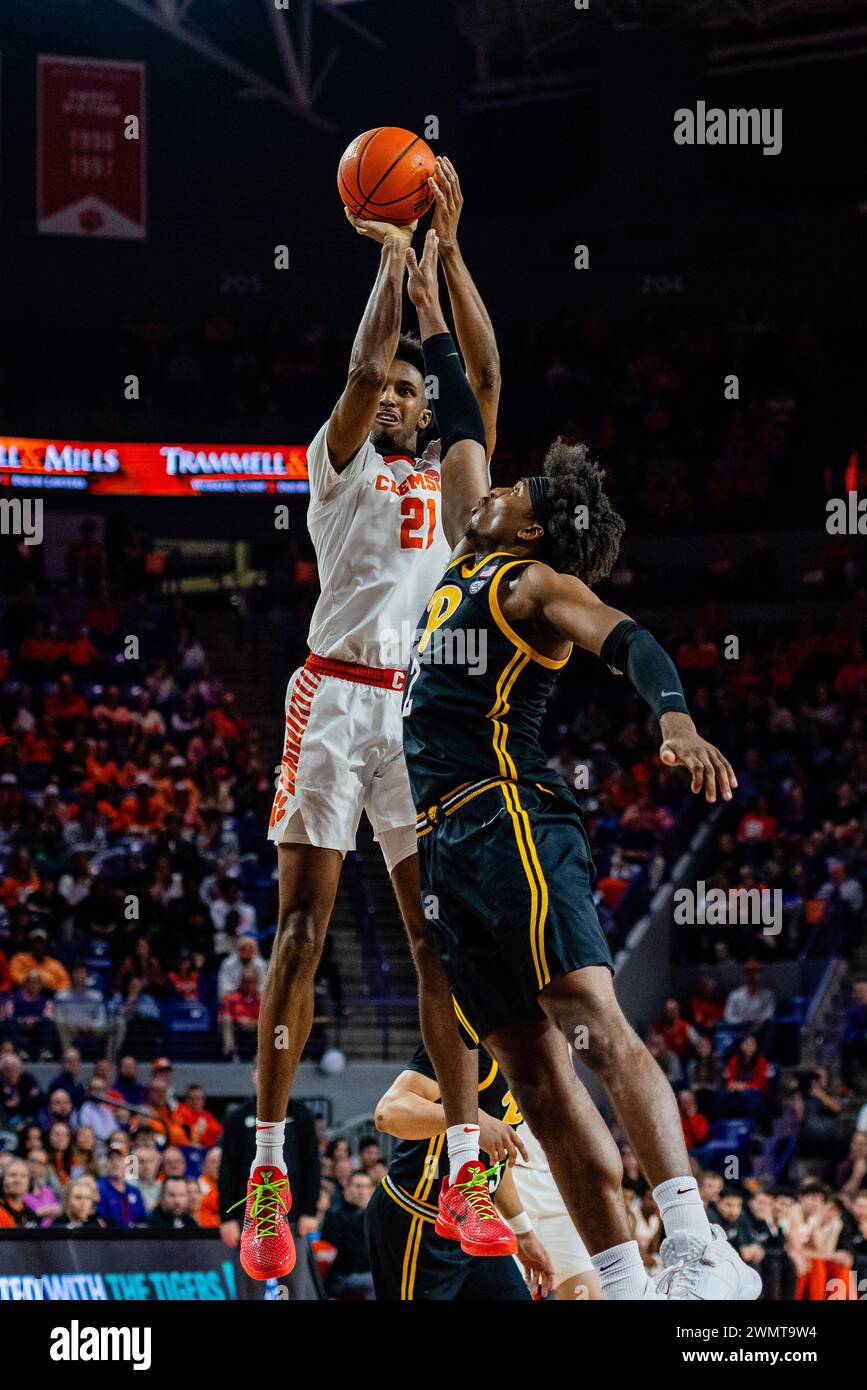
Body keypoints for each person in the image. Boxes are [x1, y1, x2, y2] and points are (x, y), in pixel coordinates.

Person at [398, 230, 760, 1301]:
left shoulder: (533, 587)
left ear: (539, 522)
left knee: (595, 1024)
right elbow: (465, 406)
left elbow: (632, 637)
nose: (496, 479)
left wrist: (675, 719)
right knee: (538, 1078)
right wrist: (442, 283)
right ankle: (625, 1280)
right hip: (453, 839)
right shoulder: (475, 544)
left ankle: (698, 1243)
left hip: (511, 818)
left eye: (516, 486)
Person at [242, 158, 511, 1279]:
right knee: (303, 932)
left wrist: (446, 256)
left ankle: (467, 1161)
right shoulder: (338, 466)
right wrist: (392, 258)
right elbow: (361, 360)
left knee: (434, 941)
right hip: (334, 696)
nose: (399, 394)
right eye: (389, 390)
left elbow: (485, 379)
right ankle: (264, 1170)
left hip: (420, 714)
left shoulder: (454, 485)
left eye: (412, 388)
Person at [369, 1034, 551, 1301]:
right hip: (418, 1221)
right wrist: (470, 1119)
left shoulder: (526, 1062)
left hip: (476, 1226)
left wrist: (523, 1233)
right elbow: (388, 1112)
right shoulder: (471, 1046)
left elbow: (496, 1163)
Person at [220, 1063, 320, 1275]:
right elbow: (227, 1168)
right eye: (265, 1073)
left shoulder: (302, 1115)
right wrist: (226, 1217)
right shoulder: (238, 1116)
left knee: (293, 1284)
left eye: (278, 1073)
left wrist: (310, 1211)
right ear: (254, 1076)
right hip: (247, 1215)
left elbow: (313, 1165)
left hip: (292, 1215)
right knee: (249, 1283)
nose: (272, 1079)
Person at [320, 1169, 376, 1300]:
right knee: (377, 1283)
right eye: (357, 1186)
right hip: (341, 1278)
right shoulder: (335, 1217)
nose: (362, 1191)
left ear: (372, 1190)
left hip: (365, 1276)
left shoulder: (374, 1218)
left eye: (366, 1187)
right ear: (348, 1187)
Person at [97, 1142, 147, 1227]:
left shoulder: (135, 1191)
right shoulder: (98, 1189)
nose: (115, 1163)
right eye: (111, 1159)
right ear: (106, 1163)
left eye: (119, 1159)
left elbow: (142, 1219)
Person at [0, 1156, 33, 1227]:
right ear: (2, 1179)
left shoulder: (31, 1214)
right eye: (12, 1175)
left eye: (23, 1176)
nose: (18, 1180)